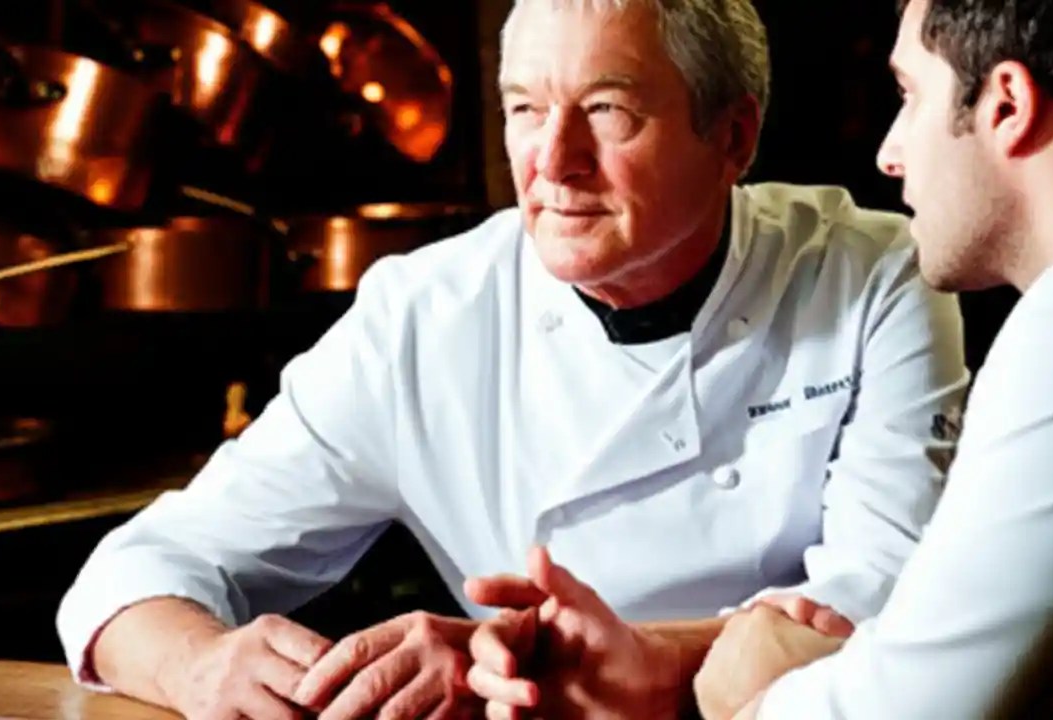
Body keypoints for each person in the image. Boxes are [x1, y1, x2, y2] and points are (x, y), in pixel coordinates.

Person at [55, 0, 970, 718]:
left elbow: (894, 603)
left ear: (733, 136)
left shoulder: (871, 272)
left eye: (608, 111)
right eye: (527, 109)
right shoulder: (428, 316)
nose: (554, 161)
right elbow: (139, 568)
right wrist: (201, 665)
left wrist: (606, 661)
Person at [690, 0, 1053, 717]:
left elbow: (918, 709)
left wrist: (744, 693)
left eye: (909, 96)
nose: (889, 151)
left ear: (1006, 105)